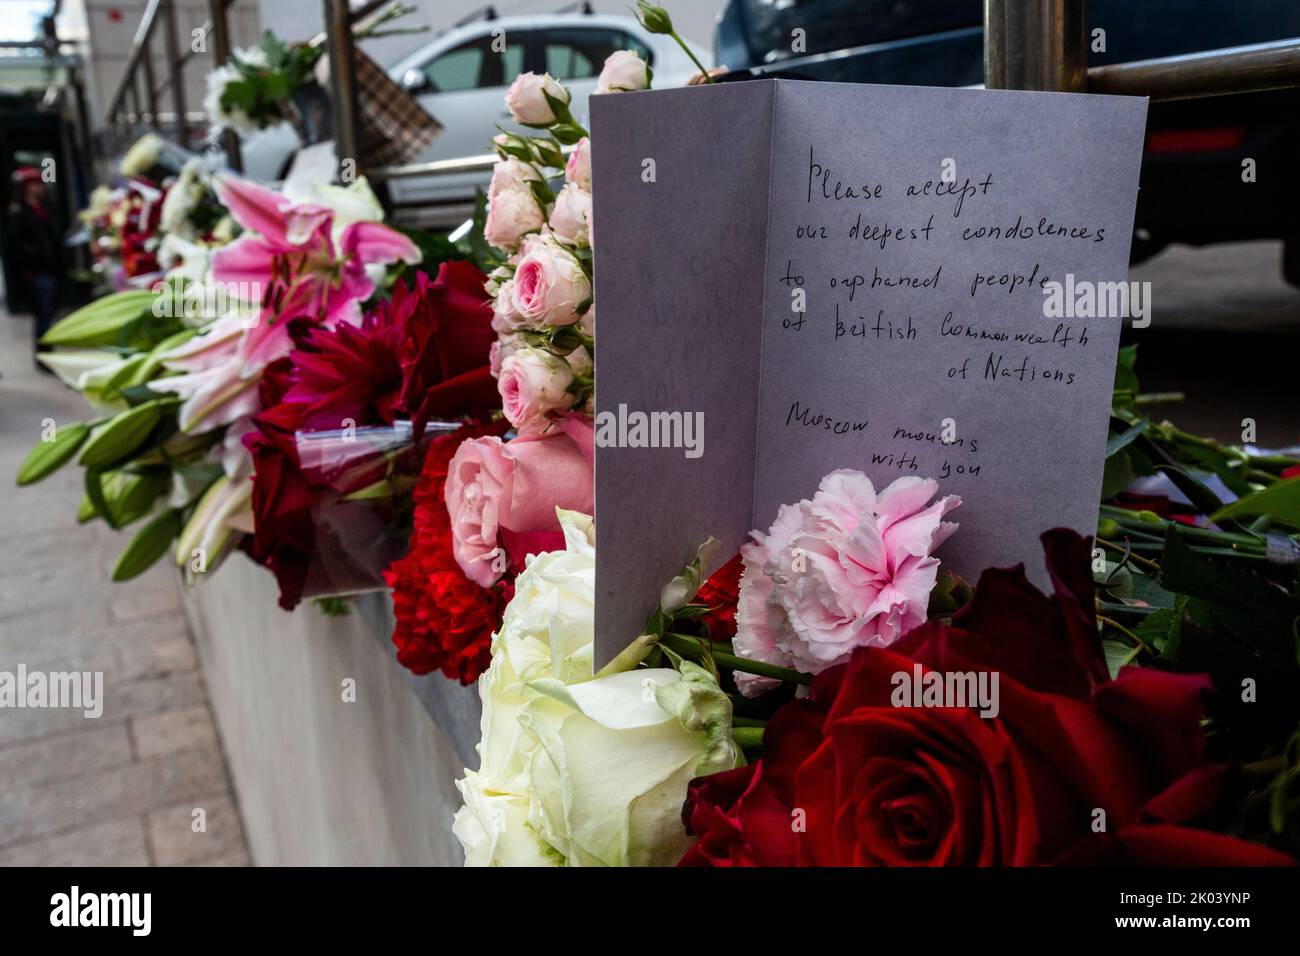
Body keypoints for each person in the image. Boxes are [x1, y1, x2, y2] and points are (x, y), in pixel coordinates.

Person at [9, 166, 62, 364]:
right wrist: (37, 258)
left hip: (49, 269)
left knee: (48, 312)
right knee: (43, 313)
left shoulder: (43, 207)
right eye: (35, 184)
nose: (40, 188)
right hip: (36, 271)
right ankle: (43, 355)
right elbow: (17, 245)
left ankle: (47, 351)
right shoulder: (19, 211)